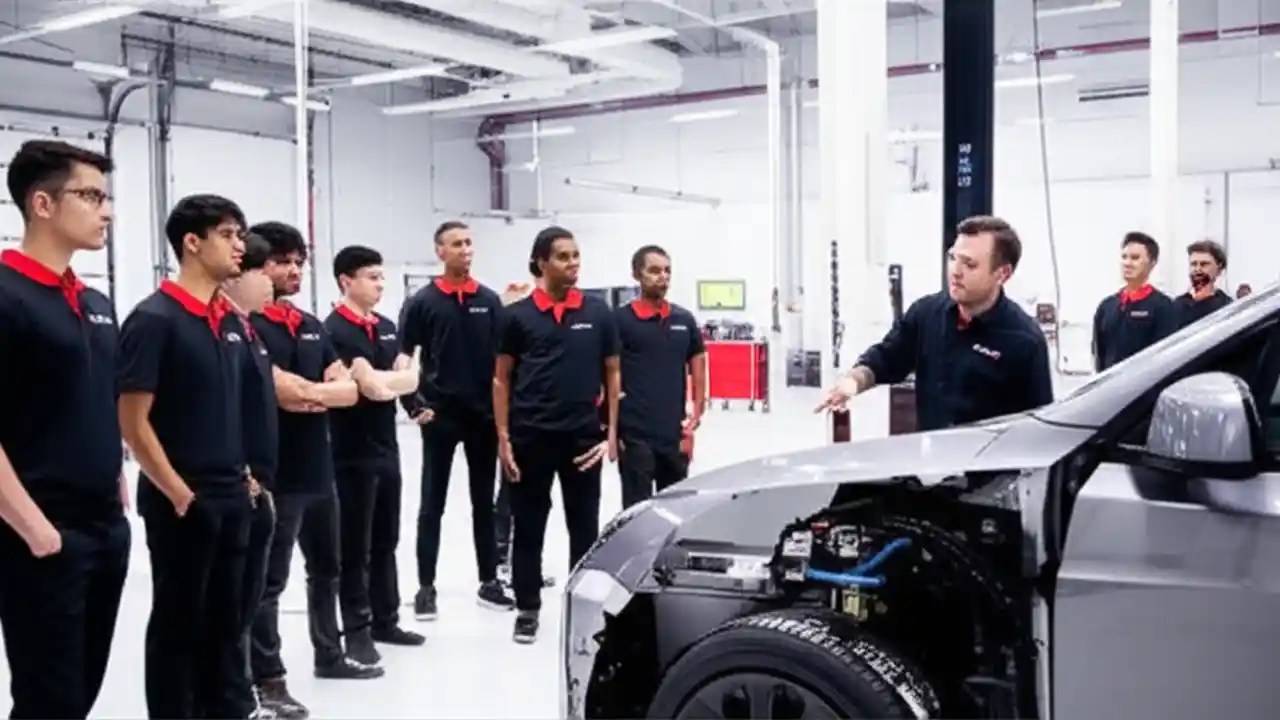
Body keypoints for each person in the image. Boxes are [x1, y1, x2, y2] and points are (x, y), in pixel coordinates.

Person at [0, 140, 130, 719]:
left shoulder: (94, 301)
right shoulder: (6, 294)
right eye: (91, 196)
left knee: (79, 691)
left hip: (105, 525)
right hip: (42, 534)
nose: (106, 211)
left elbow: (96, 400)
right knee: (46, 699)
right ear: (43, 204)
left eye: (106, 197)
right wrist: (35, 530)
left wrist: (119, 492)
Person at [117, 194, 255, 718]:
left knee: (225, 626)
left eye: (241, 235)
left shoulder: (228, 322)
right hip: (185, 500)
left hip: (231, 494)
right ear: (191, 243)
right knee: (179, 625)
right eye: (227, 234)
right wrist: (178, 492)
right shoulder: (154, 319)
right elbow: (132, 420)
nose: (239, 245)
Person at [248, 222, 381, 720]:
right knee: (269, 583)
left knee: (327, 567)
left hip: (317, 471)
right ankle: (268, 678)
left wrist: (312, 394)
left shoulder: (309, 323)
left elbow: (346, 391)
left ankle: (330, 653)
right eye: (282, 262)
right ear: (259, 265)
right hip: (274, 474)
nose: (293, 270)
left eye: (299, 261)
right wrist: (315, 392)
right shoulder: (248, 324)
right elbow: (282, 391)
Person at [494, 225, 621, 644]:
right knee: (528, 528)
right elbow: (501, 380)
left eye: (576, 255)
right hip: (530, 438)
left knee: (584, 528)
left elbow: (613, 371)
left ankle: (581, 610)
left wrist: (610, 432)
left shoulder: (598, 313)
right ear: (541, 263)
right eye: (563, 257)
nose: (573, 264)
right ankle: (527, 608)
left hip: (582, 441)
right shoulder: (516, 317)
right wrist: (504, 438)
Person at [815, 215, 1053, 429]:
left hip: (990, 472)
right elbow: (887, 358)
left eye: (969, 264)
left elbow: (1039, 426)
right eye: (953, 258)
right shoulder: (927, 314)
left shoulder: (1024, 341)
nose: (955, 271)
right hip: (931, 465)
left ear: (1002, 274)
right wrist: (852, 382)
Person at [398, 221, 513, 621]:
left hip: (482, 417)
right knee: (432, 505)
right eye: (456, 244)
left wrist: (505, 414)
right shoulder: (422, 302)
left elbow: (505, 360)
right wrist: (412, 404)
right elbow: (402, 357)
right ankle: (426, 587)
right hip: (440, 417)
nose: (465, 250)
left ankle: (488, 581)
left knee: (484, 504)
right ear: (439, 251)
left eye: (469, 243)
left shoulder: (489, 300)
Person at [324, 245, 425, 665]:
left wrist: (400, 386)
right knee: (355, 544)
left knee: (387, 539)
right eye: (371, 277)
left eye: (382, 277)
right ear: (346, 280)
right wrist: (389, 379)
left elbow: (405, 379)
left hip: (387, 448)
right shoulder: (333, 329)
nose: (380, 285)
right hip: (351, 451)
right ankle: (357, 630)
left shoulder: (385, 327)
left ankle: (387, 618)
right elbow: (372, 388)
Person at [219, 232, 285, 720]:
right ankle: (231, 699)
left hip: (259, 490)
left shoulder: (248, 330)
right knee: (220, 614)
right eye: (265, 271)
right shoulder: (215, 327)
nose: (273, 281)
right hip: (225, 489)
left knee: (244, 604)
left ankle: (239, 700)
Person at [615, 245, 707, 508]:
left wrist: (698, 411)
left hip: (673, 432)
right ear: (637, 274)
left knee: (676, 507)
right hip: (636, 434)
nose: (662, 277)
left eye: (667, 271)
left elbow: (698, 363)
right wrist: (613, 429)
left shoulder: (684, 320)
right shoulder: (621, 321)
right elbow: (611, 372)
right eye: (654, 271)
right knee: (637, 510)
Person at [1092, 231, 1178, 372]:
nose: (1127, 263)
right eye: (1124, 257)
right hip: (1111, 388)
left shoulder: (1164, 307)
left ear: (1152, 263)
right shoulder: (1106, 307)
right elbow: (1099, 355)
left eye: (1135, 258)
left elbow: (1165, 358)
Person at [1173, 239, 1231, 328]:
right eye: (1193, 264)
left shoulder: (1227, 308)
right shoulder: (1175, 306)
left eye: (1204, 264)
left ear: (1219, 269)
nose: (1197, 269)